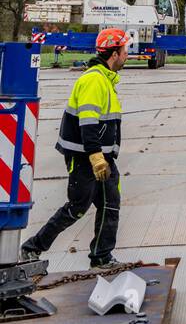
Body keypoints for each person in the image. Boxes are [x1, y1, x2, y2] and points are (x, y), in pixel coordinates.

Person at [21, 27, 128, 268]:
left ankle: (101, 256)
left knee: (110, 204)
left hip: (103, 157)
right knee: (78, 207)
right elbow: (88, 122)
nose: (127, 55)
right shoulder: (93, 80)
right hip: (85, 157)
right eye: (124, 50)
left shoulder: (106, 80)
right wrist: (95, 156)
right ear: (114, 54)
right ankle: (33, 247)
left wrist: (105, 156)